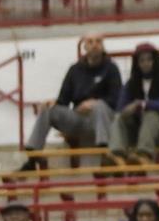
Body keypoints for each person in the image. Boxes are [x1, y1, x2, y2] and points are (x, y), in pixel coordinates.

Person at [23, 35, 123, 165]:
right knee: (47, 109)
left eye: (98, 41)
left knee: (100, 106)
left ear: (103, 46)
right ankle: (32, 157)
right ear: (85, 46)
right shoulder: (74, 69)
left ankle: (104, 153)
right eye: (90, 42)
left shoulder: (111, 68)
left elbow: (117, 99)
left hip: (102, 118)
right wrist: (54, 103)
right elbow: (64, 99)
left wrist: (95, 102)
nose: (94, 45)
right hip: (77, 117)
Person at [107, 45, 159, 165]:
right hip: (140, 130)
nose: (146, 63)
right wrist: (127, 110)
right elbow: (120, 108)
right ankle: (117, 155)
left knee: (151, 114)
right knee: (118, 117)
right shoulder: (131, 84)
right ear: (137, 63)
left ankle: (144, 154)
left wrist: (143, 104)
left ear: (156, 60)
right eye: (142, 60)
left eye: (149, 59)